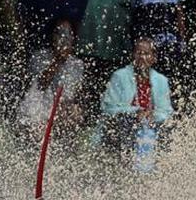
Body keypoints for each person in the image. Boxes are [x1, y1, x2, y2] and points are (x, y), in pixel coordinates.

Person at [96, 37, 173, 170]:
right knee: (125, 123)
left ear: (153, 58)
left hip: (151, 127)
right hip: (125, 126)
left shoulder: (161, 80)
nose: (142, 57)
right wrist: (134, 112)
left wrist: (153, 115)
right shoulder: (120, 76)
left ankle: (157, 168)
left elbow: (166, 112)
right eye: (139, 53)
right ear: (133, 55)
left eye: (146, 53)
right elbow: (108, 107)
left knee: (166, 128)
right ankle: (125, 165)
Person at [17, 21, 85, 138]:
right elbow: (40, 85)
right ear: (52, 36)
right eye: (60, 34)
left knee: (75, 114)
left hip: (61, 112)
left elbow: (73, 95)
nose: (64, 39)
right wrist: (58, 61)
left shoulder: (77, 64)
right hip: (38, 110)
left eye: (68, 35)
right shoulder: (39, 57)